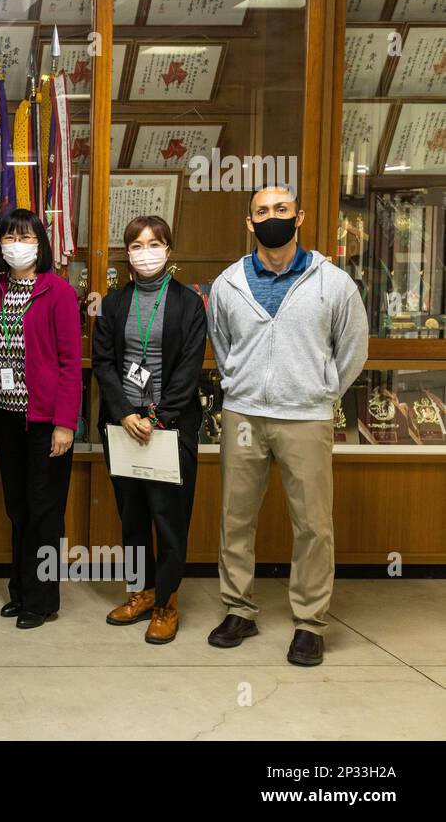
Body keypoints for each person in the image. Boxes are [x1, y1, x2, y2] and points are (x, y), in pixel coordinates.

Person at [206, 185, 368, 667]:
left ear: (299, 216)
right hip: (244, 416)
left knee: (314, 524)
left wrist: (321, 390)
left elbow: (353, 348)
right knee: (235, 517)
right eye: (262, 211)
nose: (272, 216)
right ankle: (238, 609)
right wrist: (239, 385)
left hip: (306, 416)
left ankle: (310, 622)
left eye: (281, 208)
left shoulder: (333, 283)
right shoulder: (228, 284)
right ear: (248, 223)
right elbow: (221, 344)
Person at [93, 216, 207, 643]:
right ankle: (140, 592)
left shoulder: (189, 303)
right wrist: (125, 414)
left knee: (169, 515)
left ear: (168, 250)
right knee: (133, 514)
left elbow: (189, 368)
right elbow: (104, 362)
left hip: (169, 426)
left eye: (154, 244)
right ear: (128, 253)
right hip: (123, 425)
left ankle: (167, 601)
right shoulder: (112, 302)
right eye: (137, 245)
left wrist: (157, 419)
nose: (146, 252)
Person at [0, 209, 81, 629]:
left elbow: (71, 363)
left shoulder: (58, 292)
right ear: (0, 245)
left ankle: (43, 599)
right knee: (17, 508)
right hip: (6, 416)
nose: (17, 243)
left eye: (26, 236)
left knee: (44, 510)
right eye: (10, 236)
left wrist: (66, 424)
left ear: (40, 244)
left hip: (47, 422)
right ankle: (20, 590)